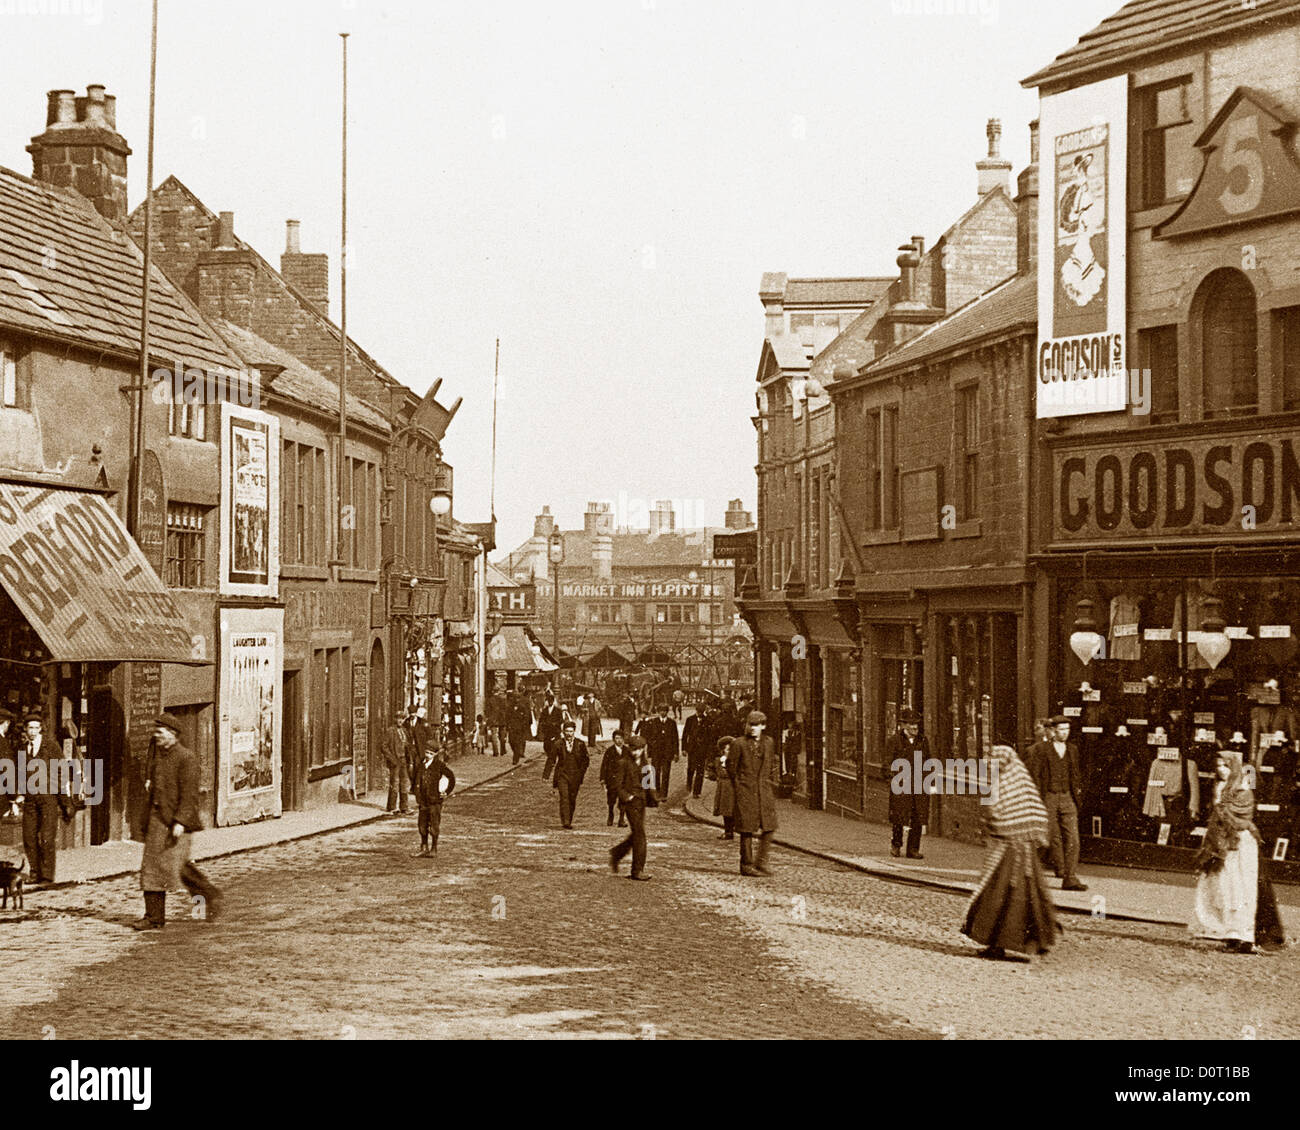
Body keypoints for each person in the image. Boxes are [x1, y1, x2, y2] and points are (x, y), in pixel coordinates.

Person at [961, 742, 1057, 962]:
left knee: (998, 896)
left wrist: (990, 822)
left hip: (1006, 853)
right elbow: (1036, 813)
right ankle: (1027, 943)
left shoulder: (1000, 782)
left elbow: (993, 812)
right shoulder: (1022, 781)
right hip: (1024, 854)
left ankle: (997, 943)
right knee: (1025, 897)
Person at [1191, 749, 1286, 953]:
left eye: (1226, 766)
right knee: (1226, 889)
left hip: (1239, 844)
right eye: (1218, 767)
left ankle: (1244, 936)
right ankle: (1231, 933)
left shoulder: (1243, 789)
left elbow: (1240, 817)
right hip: (1223, 844)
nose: (1222, 770)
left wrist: (1221, 812)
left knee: (1242, 889)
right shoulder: (1221, 788)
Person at [133, 714, 222, 930]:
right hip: (157, 819)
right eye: (156, 732)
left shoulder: (186, 758)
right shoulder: (160, 756)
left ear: (172, 734)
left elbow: (190, 794)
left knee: (173, 866)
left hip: (175, 821)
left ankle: (207, 896)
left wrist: (180, 821)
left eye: (160, 732)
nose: (157, 736)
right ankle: (154, 917)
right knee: (156, 867)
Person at [1024, 715, 1088, 891]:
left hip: (1067, 797)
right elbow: (1035, 775)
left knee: (1073, 838)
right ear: (1052, 731)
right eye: (1061, 730)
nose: (1065, 734)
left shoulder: (1072, 749)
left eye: (1067, 730)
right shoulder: (1041, 750)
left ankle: (1070, 877)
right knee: (1053, 837)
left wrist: (1077, 796)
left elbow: (1076, 774)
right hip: (1049, 797)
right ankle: (1059, 870)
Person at [19, 715, 71, 885]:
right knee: (29, 837)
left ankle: (47, 876)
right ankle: (35, 872)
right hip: (30, 799)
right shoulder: (23, 748)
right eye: (30, 728)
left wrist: (64, 799)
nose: (32, 732)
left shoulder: (50, 746)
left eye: (36, 728)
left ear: (40, 728)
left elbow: (62, 770)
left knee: (47, 837)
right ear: (26, 729)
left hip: (48, 798)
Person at [729, 711, 779, 876]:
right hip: (746, 791)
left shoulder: (769, 742)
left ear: (763, 726)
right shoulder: (739, 744)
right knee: (747, 829)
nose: (753, 729)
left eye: (756, 725)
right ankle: (746, 865)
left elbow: (770, 764)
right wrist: (740, 787)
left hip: (764, 791)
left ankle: (761, 862)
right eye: (750, 725)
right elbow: (732, 769)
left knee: (769, 827)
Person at [885, 709, 929, 859]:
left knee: (918, 817)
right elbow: (888, 763)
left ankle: (913, 849)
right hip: (901, 785)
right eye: (911, 724)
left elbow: (928, 762)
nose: (915, 727)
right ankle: (896, 845)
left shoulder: (923, 741)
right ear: (903, 725)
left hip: (919, 785)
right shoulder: (894, 741)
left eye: (916, 724)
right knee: (899, 817)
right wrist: (893, 780)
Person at [609, 734, 652, 880]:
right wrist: (627, 797)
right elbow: (617, 786)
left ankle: (617, 853)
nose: (636, 753)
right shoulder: (623, 763)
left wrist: (650, 798)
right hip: (630, 803)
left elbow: (647, 785)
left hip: (641, 802)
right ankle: (637, 871)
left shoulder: (646, 765)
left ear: (643, 749)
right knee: (640, 835)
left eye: (639, 750)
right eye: (633, 750)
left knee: (636, 834)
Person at [411, 742, 455, 857]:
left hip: (435, 800)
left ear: (435, 754)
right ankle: (424, 847)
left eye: (430, 753)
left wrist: (446, 792)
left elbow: (451, 777)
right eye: (426, 752)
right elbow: (416, 778)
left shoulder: (439, 765)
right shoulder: (421, 764)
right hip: (423, 800)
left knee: (434, 824)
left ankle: (434, 848)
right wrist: (416, 792)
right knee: (422, 824)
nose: (427, 755)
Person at [552, 720, 588, 829]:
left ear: (574, 732)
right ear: (563, 732)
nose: (569, 734)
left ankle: (569, 818)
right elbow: (551, 759)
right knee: (564, 797)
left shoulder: (580, 744)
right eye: (566, 731)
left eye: (571, 731)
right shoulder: (558, 744)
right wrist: (546, 775)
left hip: (575, 776)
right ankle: (566, 821)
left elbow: (586, 761)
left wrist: (581, 773)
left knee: (572, 798)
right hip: (562, 775)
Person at [640, 704, 679, 802]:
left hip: (667, 752)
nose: (663, 713)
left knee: (666, 773)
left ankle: (664, 794)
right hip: (656, 752)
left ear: (667, 712)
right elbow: (647, 736)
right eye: (661, 711)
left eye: (665, 711)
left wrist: (676, 752)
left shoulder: (672, 723)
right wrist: (651, 747)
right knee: (656, 772)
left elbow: (675, 739)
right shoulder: (653, 722)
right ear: (658, 712)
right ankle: (657, 792)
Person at [384, 712, 412, 814]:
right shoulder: (390, 731)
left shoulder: (405, 731)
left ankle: (404, 807)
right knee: (394, 783)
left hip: (404, 760)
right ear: (395, 719)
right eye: (398, 718)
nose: (400, 721)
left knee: (404, 783)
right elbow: (384, 746)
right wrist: (392, 759)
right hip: (395, 761)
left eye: (402, 719)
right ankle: (392, 807)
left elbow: (408, 746)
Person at [600, 730, 628, 827]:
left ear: (623, 739)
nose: (619, 740)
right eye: (616, 738)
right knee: (611, 799)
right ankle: (610, 814)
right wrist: (603, 779)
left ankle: (621, 818)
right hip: (612, 779)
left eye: (620, 738)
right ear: (613, 739)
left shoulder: (627, 751)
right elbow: (604, 765)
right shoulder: (609, 751)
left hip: (624, 780)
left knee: (623, 800)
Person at [713, 735, 737, 840]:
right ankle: (728, 831)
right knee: (725, 810)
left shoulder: (734, 762)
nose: (729, 752)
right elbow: (718, 773)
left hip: (731, 787)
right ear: (723, 750)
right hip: (723, 788)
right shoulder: (720, 760)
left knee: (730, 810)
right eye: (727, 749)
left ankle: (730, 831)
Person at [682, 707, 709, 798]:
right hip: (692, 749)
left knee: (700, 771)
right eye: (698, 711)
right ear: (696, 711)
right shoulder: (690, 720)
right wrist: (684, 748)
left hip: (702, 749)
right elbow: (685, 734)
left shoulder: (707, 720)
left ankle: (697, 791)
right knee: (691, 768)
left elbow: (710, 736)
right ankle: (689, 784)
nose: (699, 713)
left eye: (701, 712)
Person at [507, 692, 534, 764]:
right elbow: (507, 717)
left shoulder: (522, 707)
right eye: (515, 698)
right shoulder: (510, 707)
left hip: (519, 728)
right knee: (511, 741)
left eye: (518, 698)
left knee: (517, 743)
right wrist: (508, 726)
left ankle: (515, 758)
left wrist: (523, 726)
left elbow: (525, 718)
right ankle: (517, 753)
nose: (516, 700)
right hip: (512, 728)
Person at [486, 687, 508, 757]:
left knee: (494, 735)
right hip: (501, 719)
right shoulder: (503, 699)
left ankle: (496, 752)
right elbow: (505, 709)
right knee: (502, 735)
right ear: (498, 691)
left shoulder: (490, 700)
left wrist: (489, 718)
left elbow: (487, 711)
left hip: (493, 719)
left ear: (493, 691)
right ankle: (503, 750)